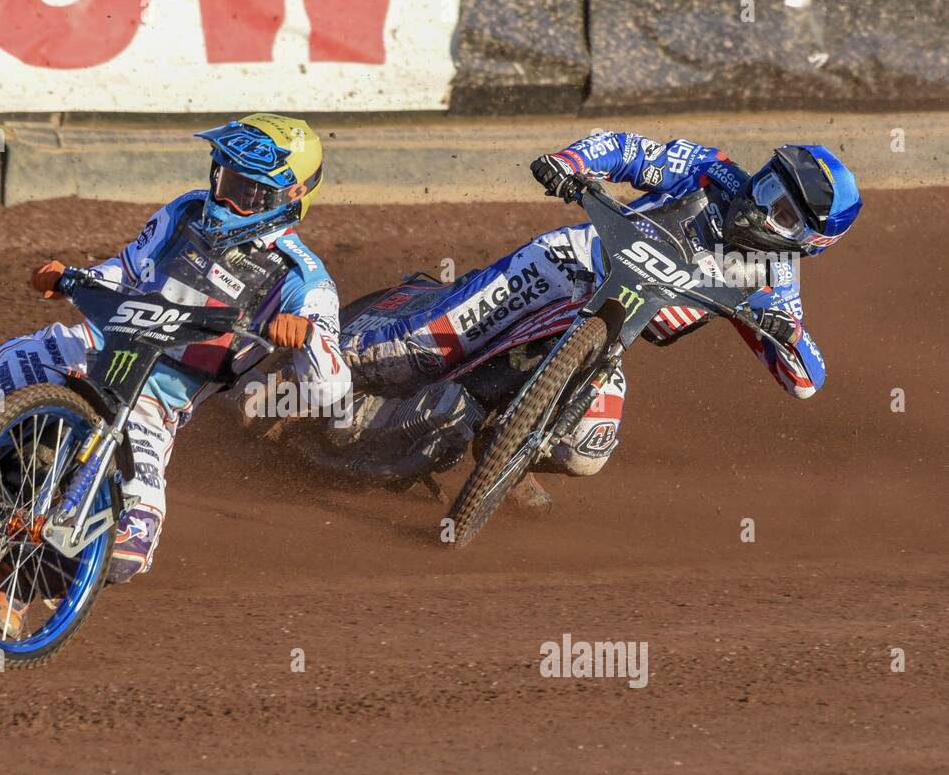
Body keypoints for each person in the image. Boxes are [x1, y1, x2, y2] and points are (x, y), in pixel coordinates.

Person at [0, 113, 352, 603]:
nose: (226, 196)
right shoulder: (185, 211)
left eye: (246, 190)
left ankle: (1, 584)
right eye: (225, 177)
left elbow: (331, 390)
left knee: (127, 550)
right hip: (88, 350)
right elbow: (124, 271)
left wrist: (304, 339)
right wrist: (72, 277)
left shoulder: (303, 280)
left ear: (289, 198)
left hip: (152, 405)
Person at [330, 132, 862, 506]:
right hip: (566, 267)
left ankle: (504, 450)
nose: (759, 205)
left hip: (609, 335)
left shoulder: (772, 280)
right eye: (769, 185)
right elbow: (630, 150)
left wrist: (784, 331)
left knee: (585, 452)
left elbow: (806, 382)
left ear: (808, 242)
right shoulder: (712, 173)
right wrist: (571, 162)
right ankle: (314, 365)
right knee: (410, 352)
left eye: (783, 213)